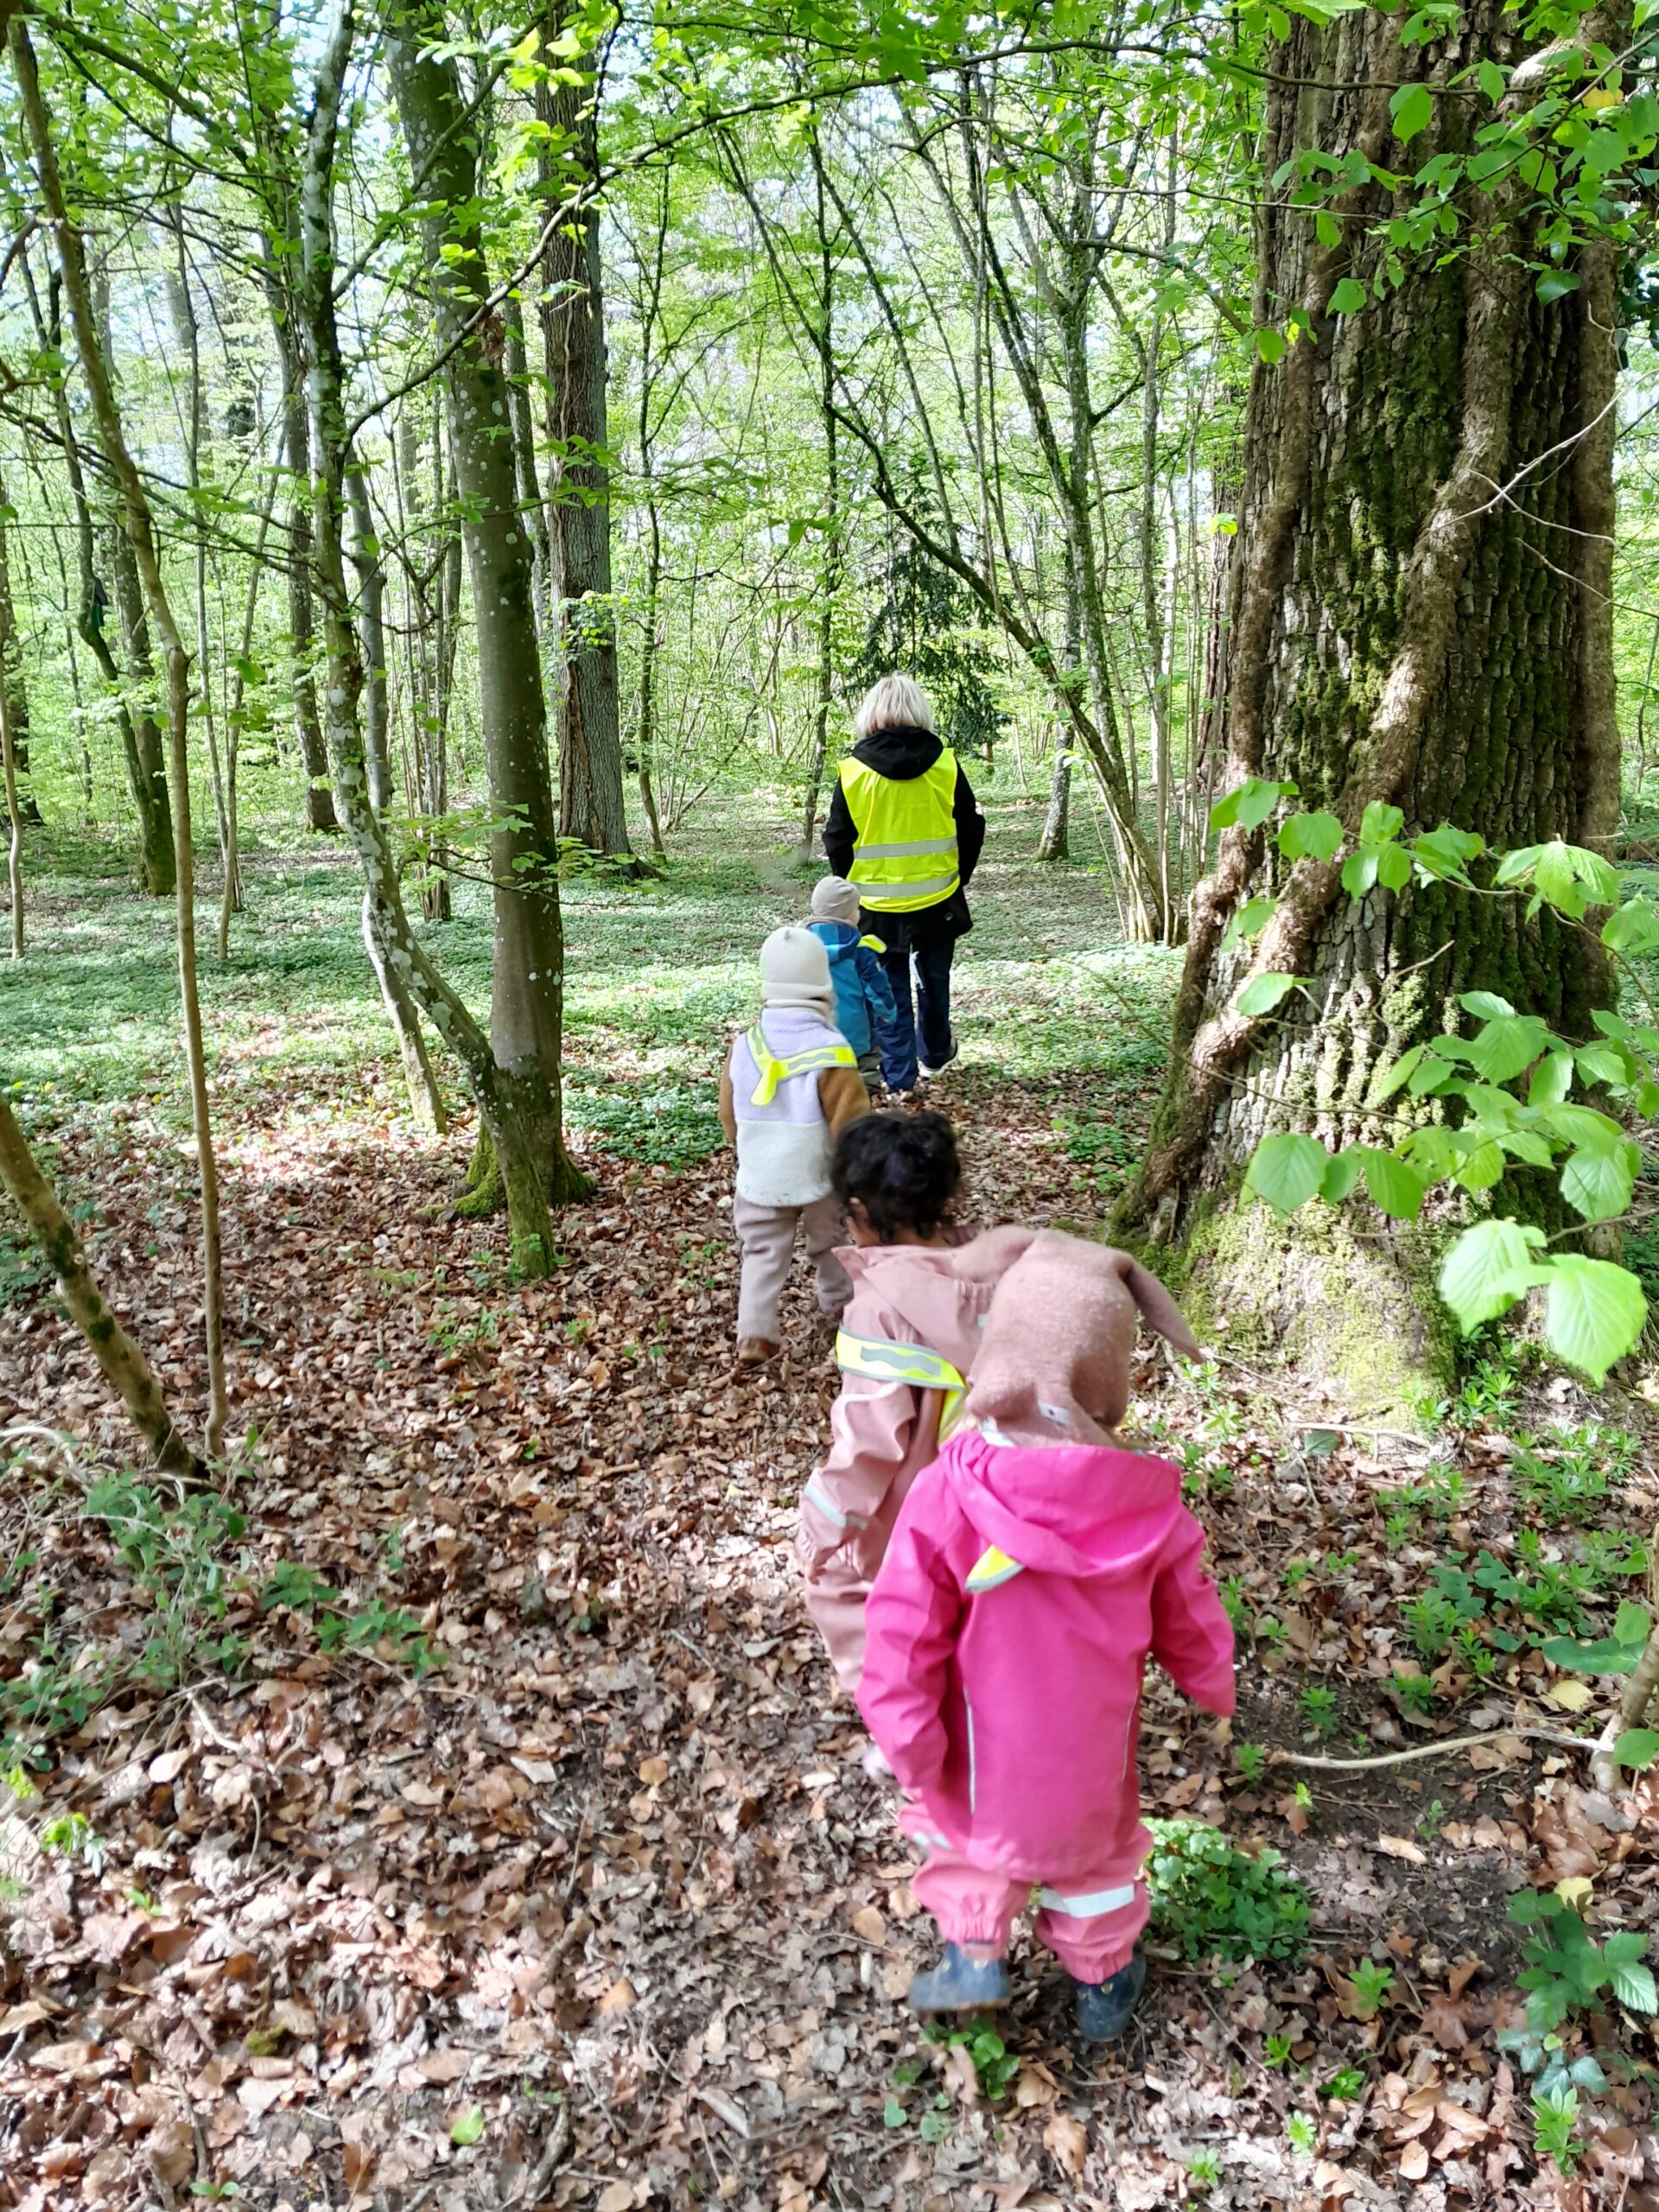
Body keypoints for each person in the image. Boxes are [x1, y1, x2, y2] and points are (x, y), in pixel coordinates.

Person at [856, 1227, 1232, 2044]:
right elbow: (1192, 1611)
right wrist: (1212, 1681)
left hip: (977, 1749)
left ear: (1001, 1347)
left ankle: (975, 1957)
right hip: (1092, 1751)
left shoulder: (947, 1492)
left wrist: (908, 1739)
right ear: (1105, 1376)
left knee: (968, 1842)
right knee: (1095, 1859)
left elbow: (902, 1629)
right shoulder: (1145, 1507)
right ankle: (1103, 1981)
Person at [798, 1111, 1001, 1694]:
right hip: (1004, 1482)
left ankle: (899, 1712)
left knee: (844, 1584)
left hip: (927, 1498)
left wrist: (824, 1523)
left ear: (859, 1212)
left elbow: (870, 1438)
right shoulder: (990, 1267)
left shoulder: (881, 1307)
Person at [823, 673, 985, 1097]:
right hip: (938, 899)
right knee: (933, 980)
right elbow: (970, 827)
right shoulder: (945, 764)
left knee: (887, 990)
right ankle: (933, 1053)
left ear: (871, 713)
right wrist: (956, 878)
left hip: (874, 906)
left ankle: (900, 1079)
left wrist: (849, 890)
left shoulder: (854, 772)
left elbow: (837, 838)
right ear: (919, 711)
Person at [719, 926, 869, 1367]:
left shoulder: (744, 1046)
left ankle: (755, 1333)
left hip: (760, 1173)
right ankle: (843, 1311)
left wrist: (742, 1148)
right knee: (830, 1244)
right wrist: (856, 1172)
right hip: (819, 1174)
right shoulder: (832, 1051)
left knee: (762, 1251)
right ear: (823, 987)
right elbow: (852, 1124)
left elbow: (728, 1113)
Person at [807, 875, 898, 1096]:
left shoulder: (801, 945)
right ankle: (860, 1111)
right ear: (849, 914)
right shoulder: (860, 950)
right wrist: (889, 1013)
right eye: (857, 908)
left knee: (819, 1082)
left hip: (813, 1033)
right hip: (856, 1035)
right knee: (862, 1077)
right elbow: (877, 989)